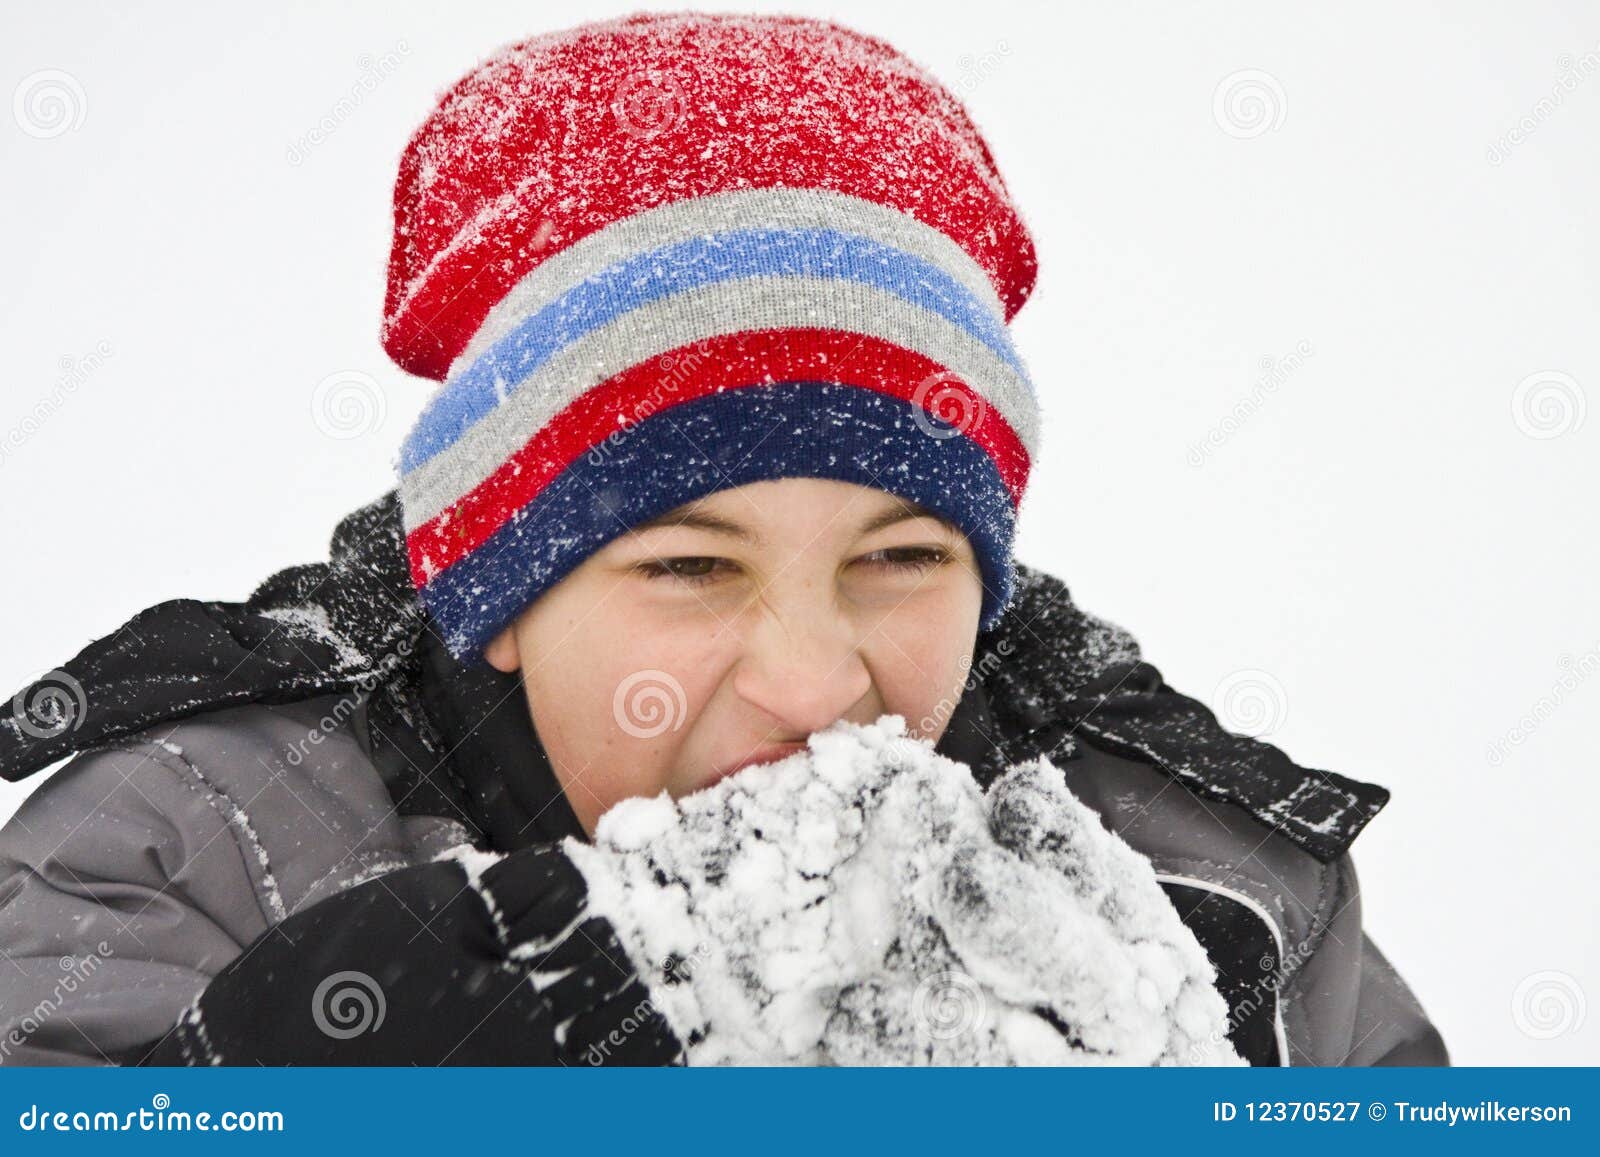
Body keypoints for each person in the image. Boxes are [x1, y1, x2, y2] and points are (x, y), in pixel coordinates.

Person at [0, 11, 1446, 1067]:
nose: (817, 686)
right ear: (493, 582)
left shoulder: (1212, 890)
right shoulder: (180, 858)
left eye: (903, 557)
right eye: (692, 565)